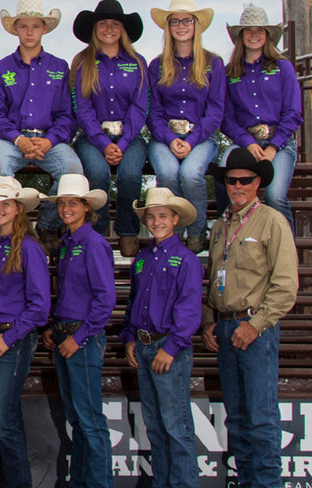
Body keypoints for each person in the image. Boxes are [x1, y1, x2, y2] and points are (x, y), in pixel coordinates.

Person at [201, 150, 298, 488]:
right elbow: (215, 275)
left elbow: (286, 286)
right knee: (238, 420)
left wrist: (255, 325)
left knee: (260, 418)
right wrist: (209, 319)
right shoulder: (220, 224)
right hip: (227, 326)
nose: (238, 185)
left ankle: (267, 485)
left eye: (245, 180)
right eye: (231, 180)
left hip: (257, 328)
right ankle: (247, 483)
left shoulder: (272, 220)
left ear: (258, 183)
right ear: (225, 184)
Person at [0, 0, 80, 254]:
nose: (29, 31)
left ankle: (47, 224)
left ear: (44, 29)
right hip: (11, 140)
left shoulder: (60, 68)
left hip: (49, 139)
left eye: (36, 26)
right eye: (23, 26)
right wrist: (17, 139)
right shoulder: (0, 69)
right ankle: (12, 227)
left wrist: (50, 140)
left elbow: (68, 114)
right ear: (15, 29)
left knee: (73, 171)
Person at [120, 187, 202, 488]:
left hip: (168, 348)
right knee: (155, 426)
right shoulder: (142, 259)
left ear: (176, 219)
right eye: (151, 217)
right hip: (143, 346)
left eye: (163, 216)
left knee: (175, 426)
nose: (156, 222)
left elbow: (190, 309)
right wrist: (129, 337)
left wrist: (172, 346)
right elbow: (134, 302)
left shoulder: (187, 261)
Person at [0, 177, 48, 488]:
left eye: (5, 204)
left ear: (18, 208)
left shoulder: (29, 248)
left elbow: (40, 306)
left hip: (12, 338)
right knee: (5, 418)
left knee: (4, 420)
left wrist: (8, 337)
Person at [40, 174, 115, 488]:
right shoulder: (70, 242)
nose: (66, 208)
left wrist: (78, 337)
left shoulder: (93, 243)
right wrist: (56, 327)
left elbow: (105, 298)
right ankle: (83, 482)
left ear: (87, 207)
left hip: (81, 338)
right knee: (78, 419)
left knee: (89, 420)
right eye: (62, 203)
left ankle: (96, 484)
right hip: (67, 334)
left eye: (73, 202)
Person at [69, 0, 149, 257]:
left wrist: (122, 143)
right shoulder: (83, 62)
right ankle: (98, 231)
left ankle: (128, 230)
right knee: (97, 172)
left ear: (123, 29)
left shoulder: (137, 62)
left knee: (130, 175)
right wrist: (104, 143)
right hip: (92, 136)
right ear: (95, 29)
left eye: (115, 24)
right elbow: (82, 108)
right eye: (103, 23)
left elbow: (140, 107)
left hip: (130, 136)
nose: (109, 29)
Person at [147, 0, 223, 253]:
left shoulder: (214, 63)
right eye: (175, 21)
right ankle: (173, 236)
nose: (181, 26)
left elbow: (215, 110)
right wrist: (170, 139)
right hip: (164, 137)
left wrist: (191, 140)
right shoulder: (156, 65)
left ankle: (198, 233)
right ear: (167, 27)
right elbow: (153, 111)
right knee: (168, 174)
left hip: (201, 136)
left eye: (187, 20)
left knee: (191, 174)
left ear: (196, 24)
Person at [219, 4, 302, 228]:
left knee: (275, 196)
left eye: (259, 30)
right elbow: (226, 118)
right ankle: (228, 238)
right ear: (240, 36)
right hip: (244, 143)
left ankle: (286, 253)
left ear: (267, 35)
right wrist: (247, 143)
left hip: (281, 144)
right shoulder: (229, 73)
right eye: (248, 30)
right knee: (223, 177)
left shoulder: (283, 67)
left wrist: (274, 146)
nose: (254, 35)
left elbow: (293, 112)